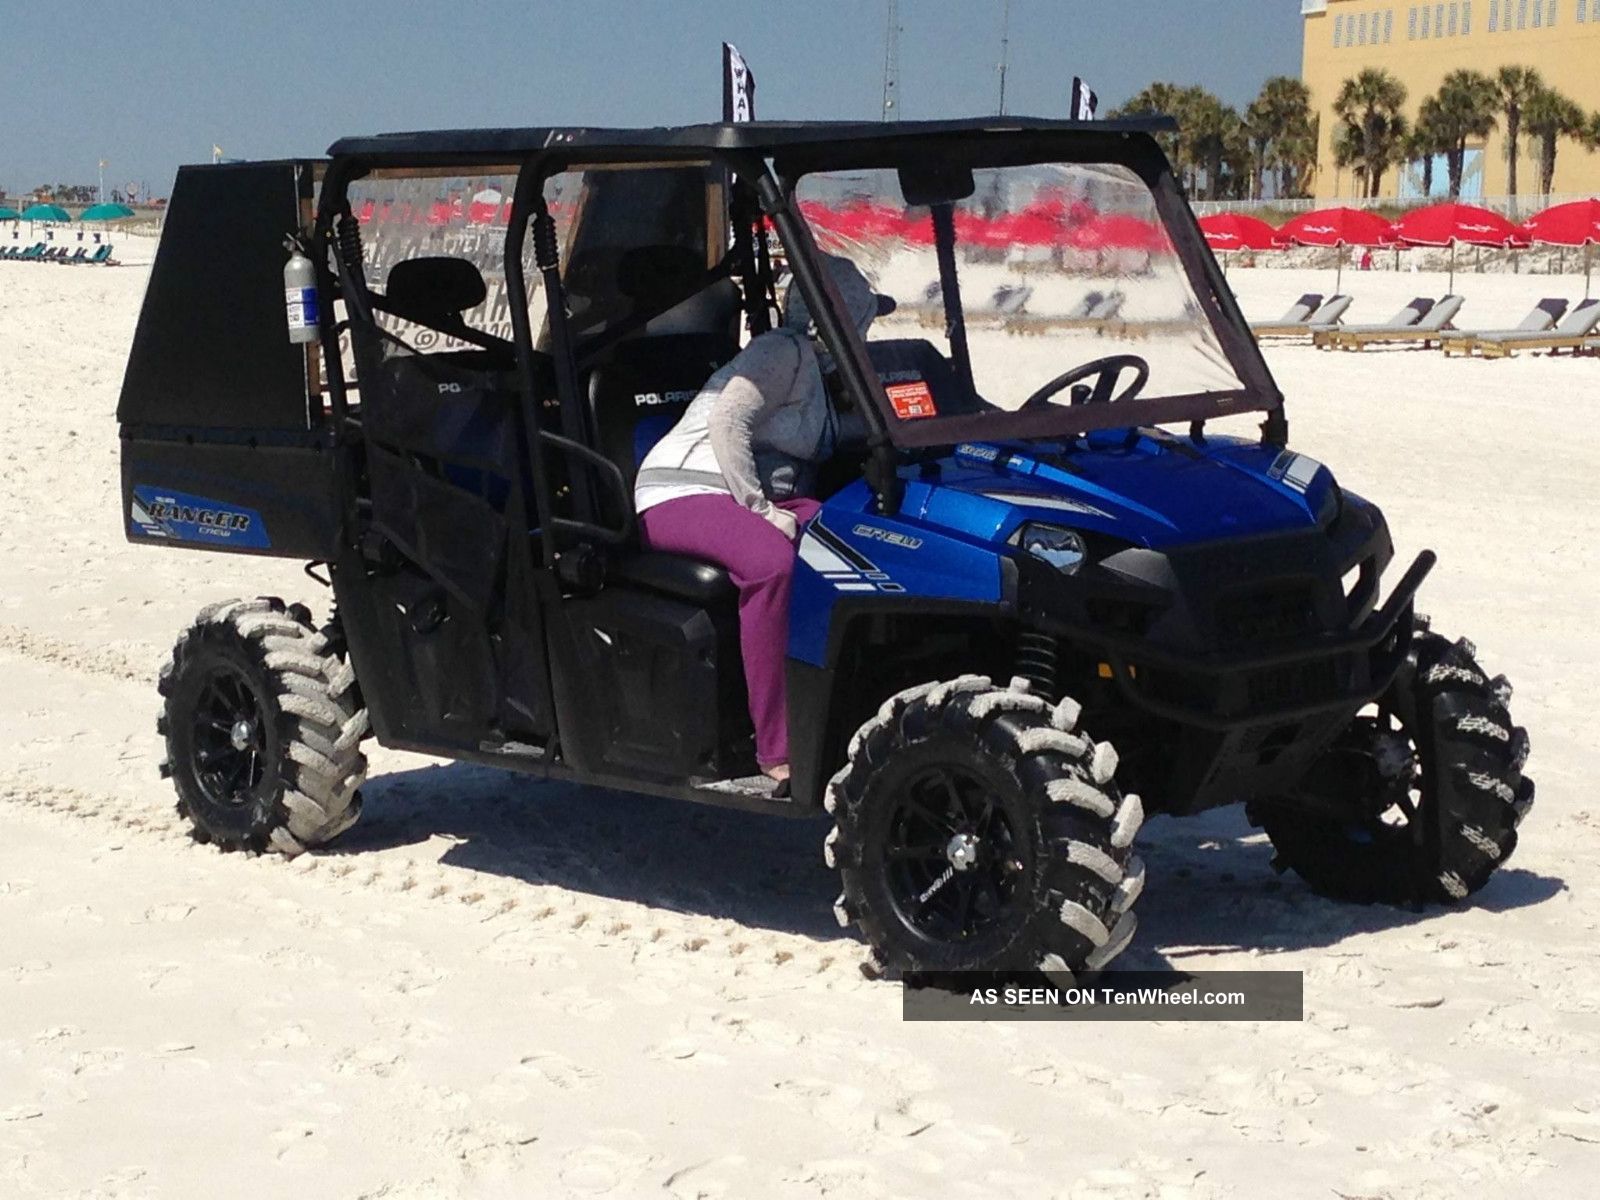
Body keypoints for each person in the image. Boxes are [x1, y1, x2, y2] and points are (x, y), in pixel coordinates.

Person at [633, 254, 885, 784]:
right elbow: (728, 419)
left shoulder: (822, 371)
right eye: (861, 317)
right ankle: (776, 749)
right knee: (771, 565)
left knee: (854, 537)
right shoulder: (783, 352)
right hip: (684, 488)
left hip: (741, 492)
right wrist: (760, 511)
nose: (865, 331)